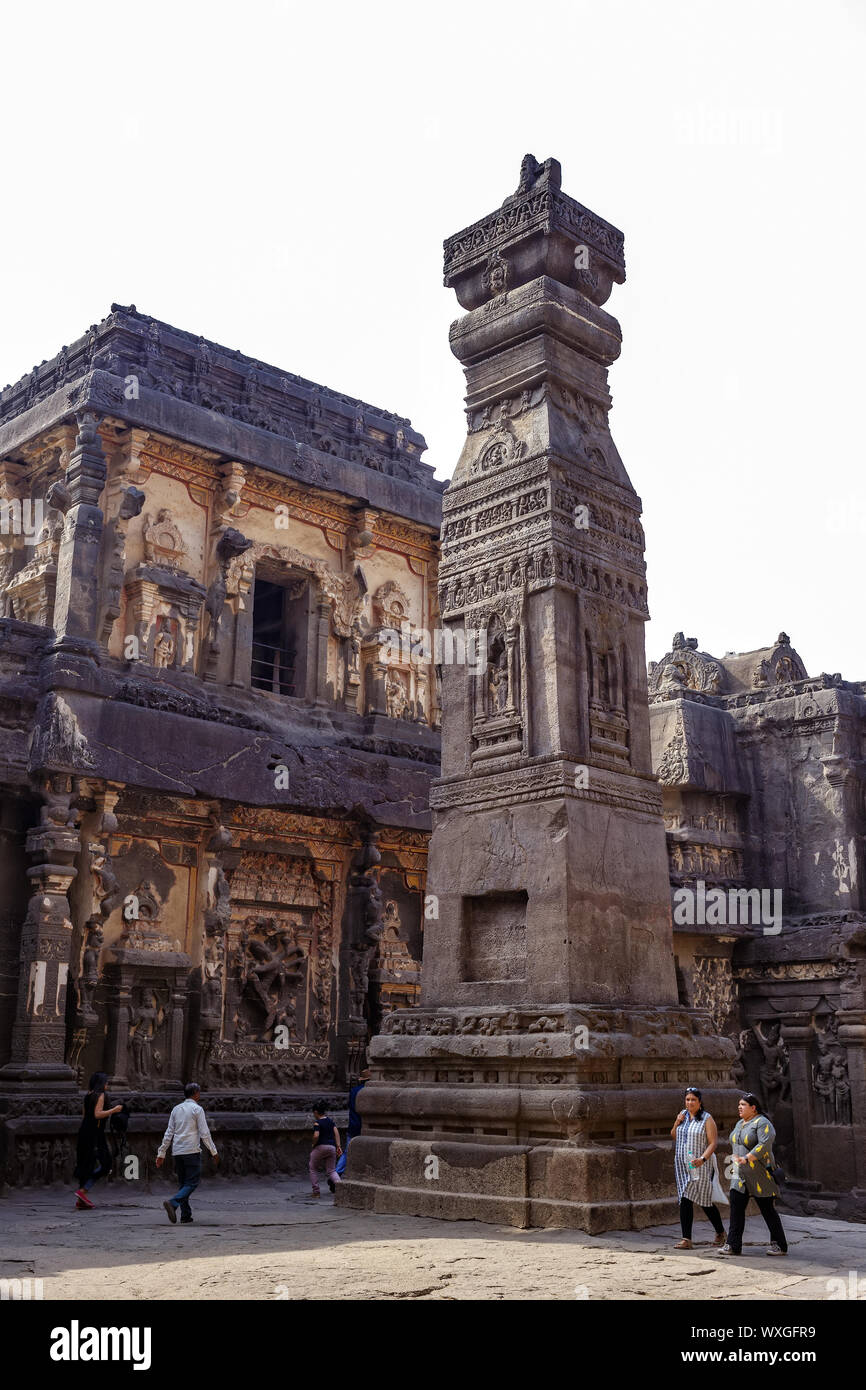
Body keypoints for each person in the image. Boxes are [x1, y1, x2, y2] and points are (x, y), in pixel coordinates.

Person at [716, 1093, 788, 1257]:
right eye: (739, 1105)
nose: (739, 1107)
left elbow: (764, 1144)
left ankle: (779, 1245)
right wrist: (735, 1157)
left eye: (743, 1105)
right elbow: (735, 1143)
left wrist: (747, 1158)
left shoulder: (763, 1123)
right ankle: (733, 1245)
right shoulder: (740, 1123)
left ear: (753, 1108)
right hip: (740, 1174)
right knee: (736, 1209)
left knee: (767, 1209)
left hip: (759, 1174)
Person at [670, 1086, 726, 1248]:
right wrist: (677, 1122)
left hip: (700, 1165)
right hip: (681, 1164)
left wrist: (703, 1158)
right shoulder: (683, 1115)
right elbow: (674, 1135)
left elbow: (713, 1142)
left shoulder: (707, 1119)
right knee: (685, 1198)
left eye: (693, 1099)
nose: (690, 1102)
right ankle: (686, 1239)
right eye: (687, 1099)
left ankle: (720, 1232)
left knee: (704, 1201)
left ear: (700, 1102)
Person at [156, 1081, 219, 1224]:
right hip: (191, 1151)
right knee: (192, 1183)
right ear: (196, 1094)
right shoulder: (197, 1109)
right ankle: (173, 1203)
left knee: (183, 1183)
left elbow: (169, 1133)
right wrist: (213, 1151)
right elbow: (204, 1133)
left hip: (177, 1151)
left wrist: (161, 1153)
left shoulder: (176, 1109)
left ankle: (185, 1214)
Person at [74, 1072, 124, 1209]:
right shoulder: (101, 1095)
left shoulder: (88, 1095)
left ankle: (81, 1200)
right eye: (106, 1082)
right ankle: (83, 1190)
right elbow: (97, 1114)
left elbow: (85, 1115)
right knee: (106, 1163)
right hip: (95, 1134)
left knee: (85, 1163)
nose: (107, 1084)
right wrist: (114, 1110)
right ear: (101, 1083)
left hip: (84, 1131)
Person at [336, 1067, 370, 1176]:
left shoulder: (354, 1091)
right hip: (367, 1126)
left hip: (354, 1124)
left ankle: (336, 1173)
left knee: (347, 1151)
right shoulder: (369, 1091)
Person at [309, 1100, 342, 1198]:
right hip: (332, 1147)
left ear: (315, 1112)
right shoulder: (331, 1122)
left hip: (320, 1147)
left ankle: (316, 1191)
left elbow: (316, 1135)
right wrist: (338, 1146)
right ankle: (341, 1189)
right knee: (331, 1170)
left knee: (313, 1168)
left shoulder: (317, 1123)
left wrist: (313, 1144)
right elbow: (336, 1133)